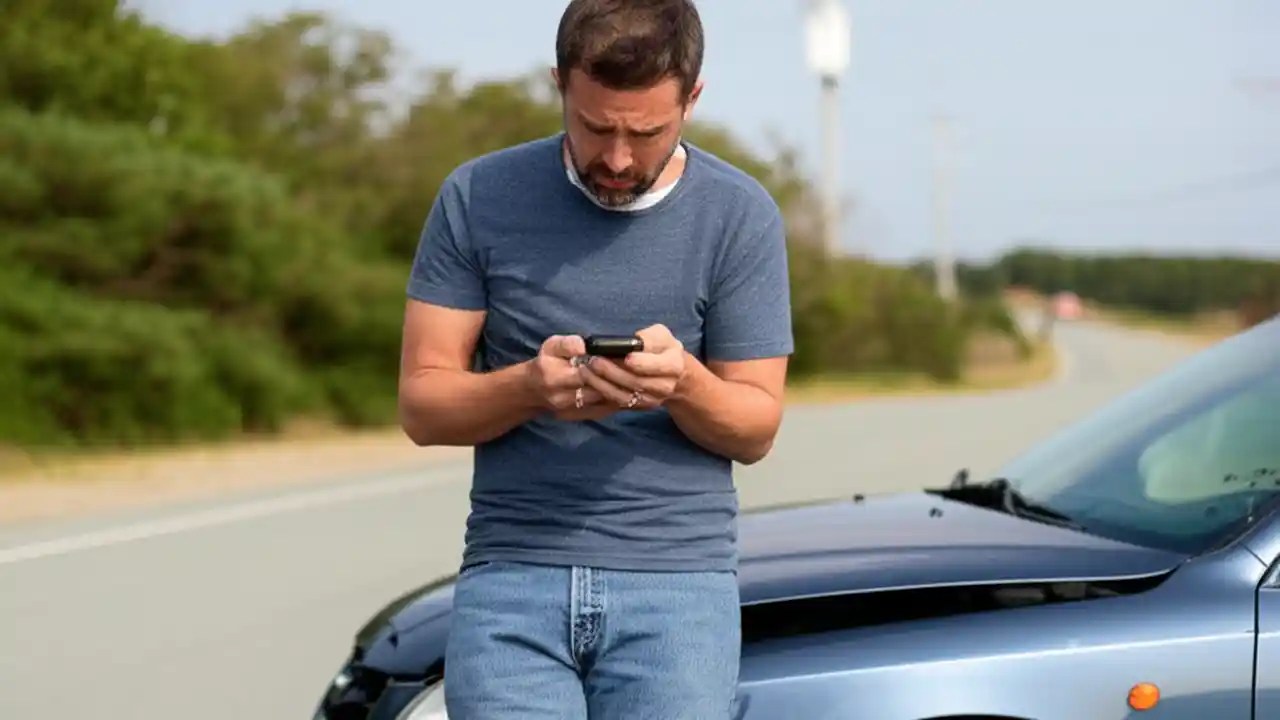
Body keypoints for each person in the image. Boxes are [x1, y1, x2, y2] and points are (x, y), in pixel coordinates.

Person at [397, 0, 793, 717]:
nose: (616, 158)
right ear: (559, 84)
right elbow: (423, 406)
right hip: (511, 582)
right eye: (594, 126)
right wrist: (530, 387)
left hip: (679, 595)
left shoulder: (741, 214)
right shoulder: (476, 196)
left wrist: (683, 383)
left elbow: (756, 428)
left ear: (692, 99)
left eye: (646, 133)